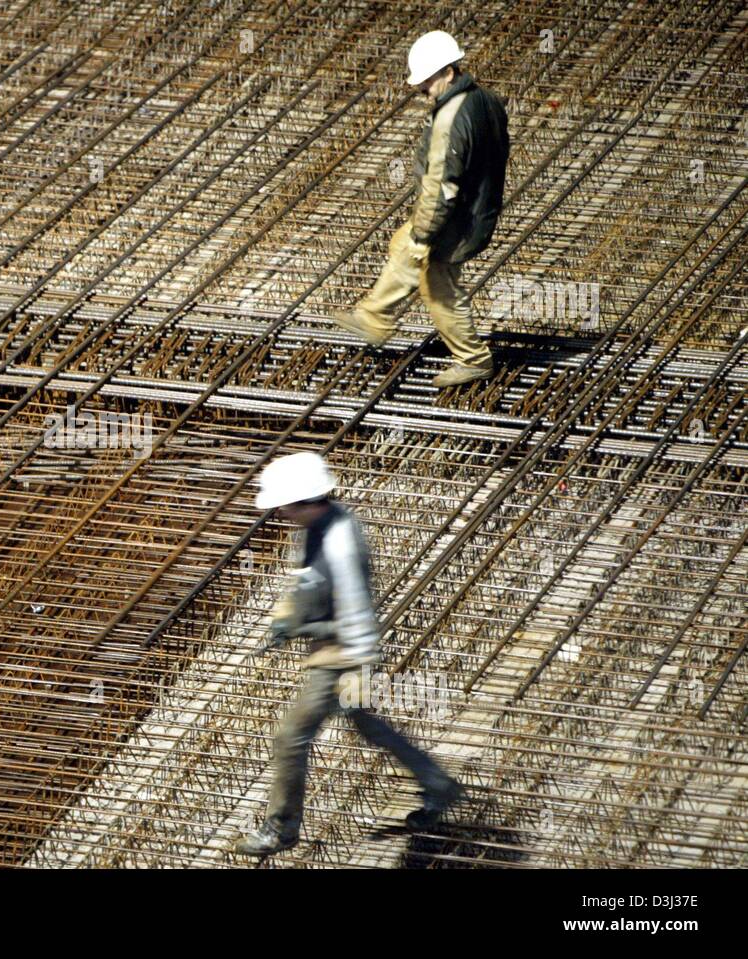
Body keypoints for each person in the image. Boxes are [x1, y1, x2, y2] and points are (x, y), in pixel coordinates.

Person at [234, 451, 463, 856]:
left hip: (344, 657)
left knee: (290, 738)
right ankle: (439, 785)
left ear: (307, 501)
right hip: (333, 651)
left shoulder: (342, 544)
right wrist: (288, 614)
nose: (281, 513)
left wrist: (308, 632)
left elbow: (358, 620)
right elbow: (306, 578)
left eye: (285, 505)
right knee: (367, 724)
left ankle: (281, 829)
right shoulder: (318, 524)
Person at [332, 30, 510, 390]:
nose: (423, 90)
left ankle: (474, 360)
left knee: (436, 284)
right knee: (403, 244)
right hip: (475, 207)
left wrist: (425, 234)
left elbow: (441, 185)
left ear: (448, 72)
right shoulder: (486, 99)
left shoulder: (450, 120)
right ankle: (374, 317)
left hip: (460, 219)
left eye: (427, 81)